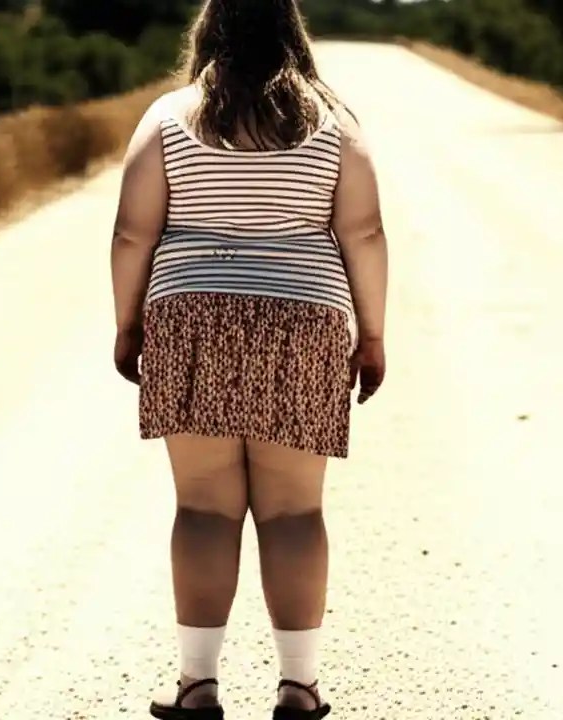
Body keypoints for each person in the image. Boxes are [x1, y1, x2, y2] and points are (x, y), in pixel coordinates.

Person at [109, 1, 388, 718]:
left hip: (189, 317)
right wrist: (374, 335)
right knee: (294, 513)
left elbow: (132, 233)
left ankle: (197, 685)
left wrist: (129, 324)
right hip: (305, 322)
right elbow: (363, 231)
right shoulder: (335, 123)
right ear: (293, 32)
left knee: (203, 508)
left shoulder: (170, 118)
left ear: (208, 33)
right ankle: (299, 686)